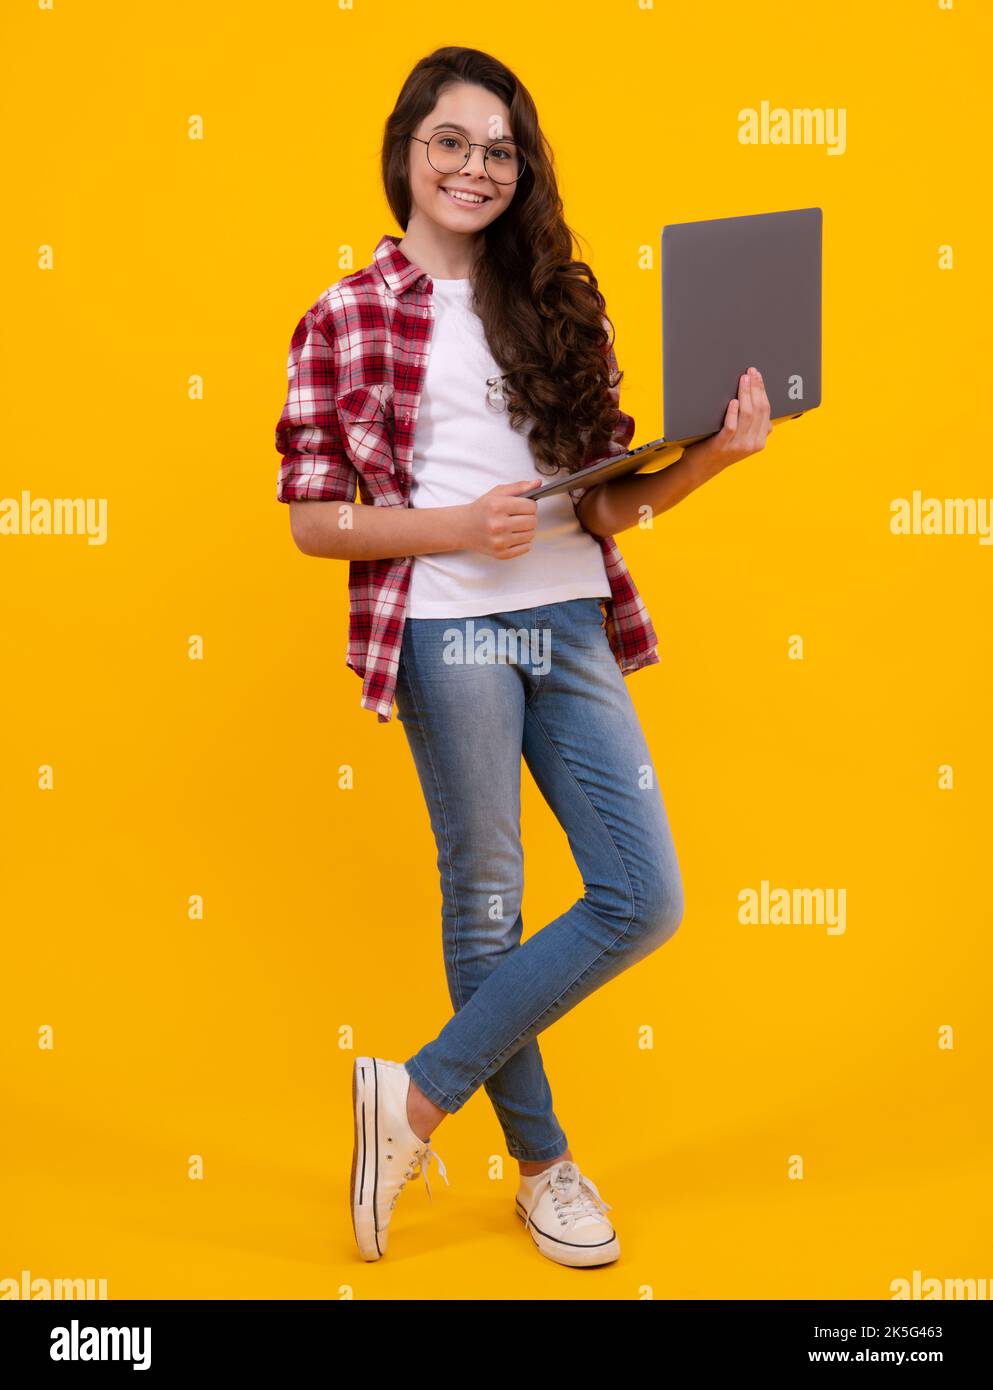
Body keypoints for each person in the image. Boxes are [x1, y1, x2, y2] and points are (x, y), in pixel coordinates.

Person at [274, 46, 773, 1268]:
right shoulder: (345, 314)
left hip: (570, 616)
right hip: (447, 624)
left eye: (500, 150)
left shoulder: (557, 301)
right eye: (452, 142)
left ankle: (413, 1100)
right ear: (407, 151)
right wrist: (455, 525)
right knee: (487, 899)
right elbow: (308, 517)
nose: (476, 168)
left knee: (642, 892)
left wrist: (713, 457)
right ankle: (546, 1168)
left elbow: (602, 510)